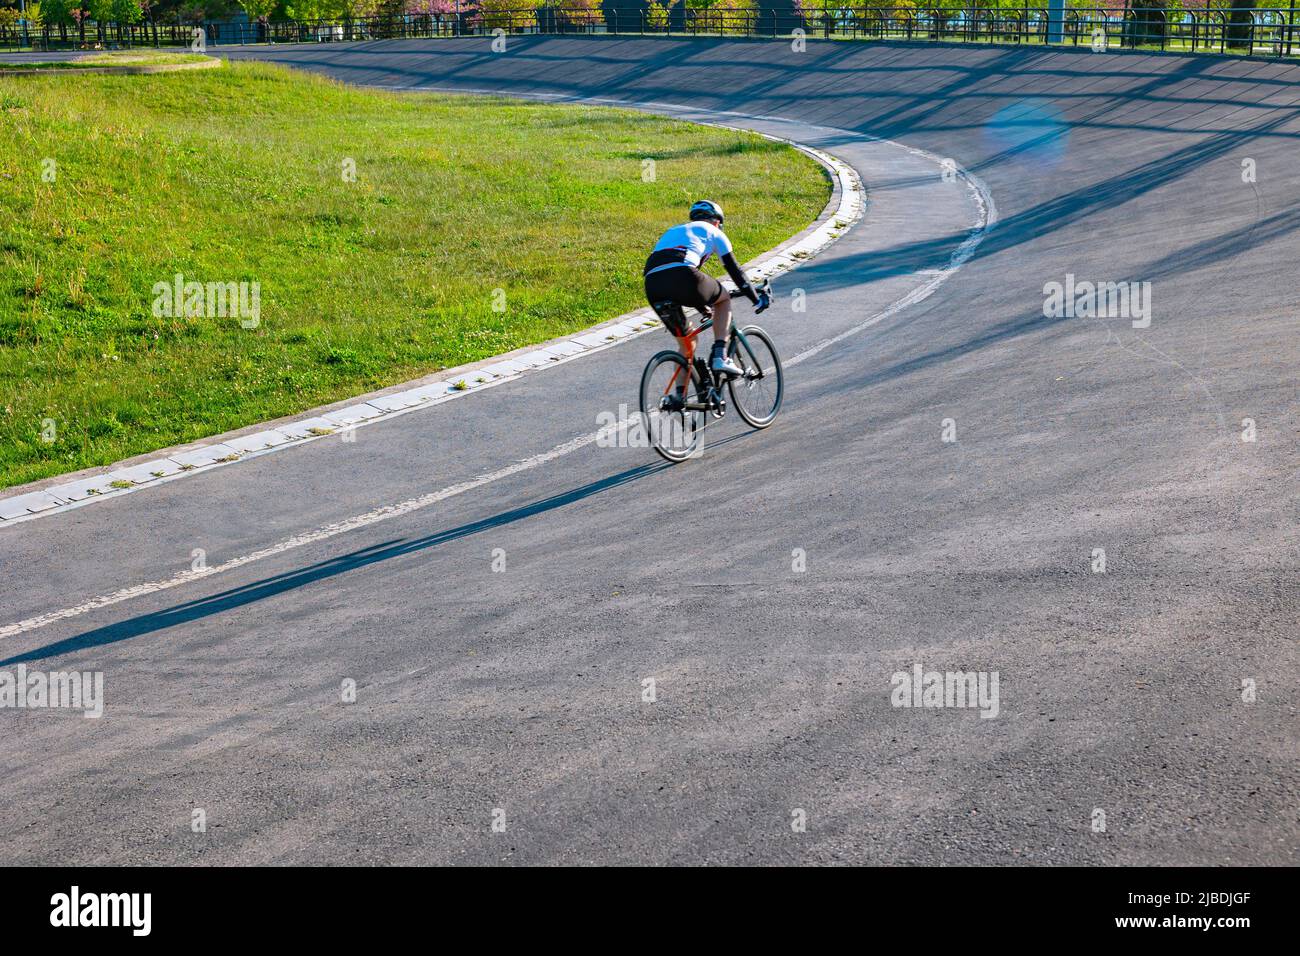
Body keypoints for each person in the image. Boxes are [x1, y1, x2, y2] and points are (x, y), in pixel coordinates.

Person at [643, 200, 769, 381]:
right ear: (717, 222)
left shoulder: (675, 231)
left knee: (687, 345)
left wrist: (703, 307)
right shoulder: (714, 232)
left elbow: (677, 280)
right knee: (724, 298)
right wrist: (756, 299)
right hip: (683, 275)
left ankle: (678, 397)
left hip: (652, 285)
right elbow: (735, 271)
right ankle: (721, 356)